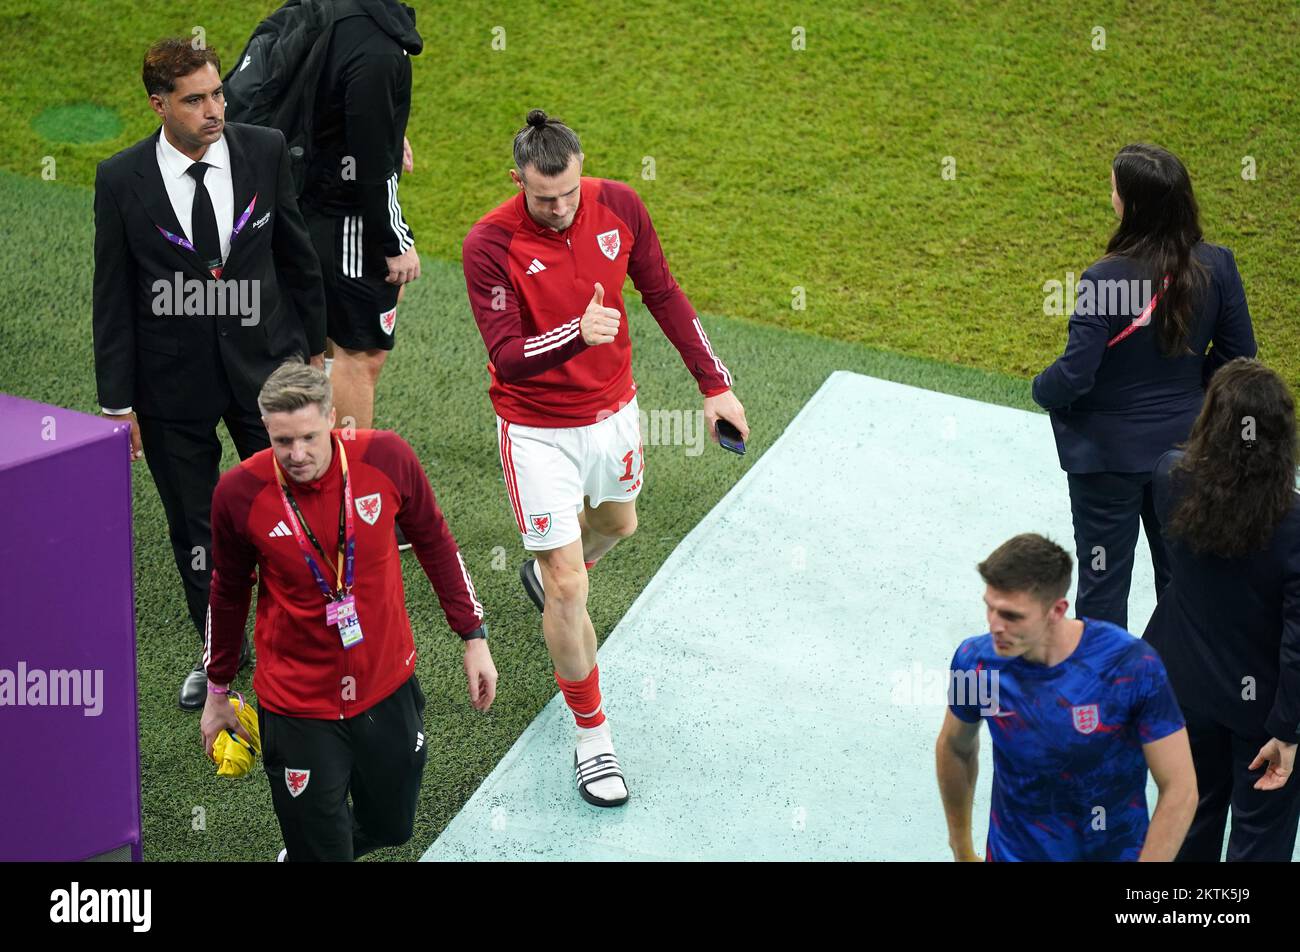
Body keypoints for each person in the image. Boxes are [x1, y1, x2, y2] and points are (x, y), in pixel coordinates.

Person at [461, 110, 750, 807]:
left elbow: (663, 293)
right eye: (543, 197)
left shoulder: (621, 205)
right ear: (518, 181)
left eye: (568, 193)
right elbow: (506, 356)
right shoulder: (489, 242)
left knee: (620, 525)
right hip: (535, 431)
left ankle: (563, 570)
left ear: (582, 169)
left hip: (613, 412)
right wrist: (574, 333)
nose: (558, 209)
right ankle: (593, 737)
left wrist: (716, 387)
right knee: (566, 587)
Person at [92, 38, 326, 710]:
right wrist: (117, 404)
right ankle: (219, 651)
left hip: (270, 373)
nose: (214, 109)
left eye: (217, 93)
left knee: (295, 504)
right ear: (158, 103)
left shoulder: (265, 149)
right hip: (171, 389)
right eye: (195, 99)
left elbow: (297, 257)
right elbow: (113, 294)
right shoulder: (120, 178)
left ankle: (308, 636)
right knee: (196, 526)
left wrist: (316, 358)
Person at [200, 360, 496, 861]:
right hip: (297, 703)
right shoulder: (239, 493)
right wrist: (217, 690)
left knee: (393, 826)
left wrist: (474, 636)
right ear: (266, 431)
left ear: (334, 419)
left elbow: (436, 543)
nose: (297, 455)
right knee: (322, 851)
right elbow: (227, 593)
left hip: (386, 683)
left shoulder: (386, 457)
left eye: (310, 438)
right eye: (282, 442)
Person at [1032, 143, 1256, 629]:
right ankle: (1173, 689)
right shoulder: (1219, 265)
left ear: (1132, 204)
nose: (1110, 193)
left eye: (1115, 187)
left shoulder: (1104, 278)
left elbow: (1074, 374)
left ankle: (1107, 695)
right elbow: (1240, 356)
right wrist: (1194, 393)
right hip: (1183, 452)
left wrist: (1040, 389)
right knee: (1181, 581)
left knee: (1104, 582)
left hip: (1105, 461)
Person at [936, 533, 1197, 861]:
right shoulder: (976, 661)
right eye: (990, 609)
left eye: (1012, 616)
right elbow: (955, 747)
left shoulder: (1131, 666)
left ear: (1057, 610)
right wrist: (961, 848)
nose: (995, 626)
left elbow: (1180, 787)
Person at [1144, 358, 1300, 861]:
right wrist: (1288, 730)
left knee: (1191, 818)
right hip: (1263, 709)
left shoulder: (1170, 478)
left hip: (1184, 689)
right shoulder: (1294, 525)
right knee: (1260, 841)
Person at [300, 0, 421, 438]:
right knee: (360, 354)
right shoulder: (379, 50)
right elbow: (370, 167)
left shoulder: (330, 12)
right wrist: (394, 241)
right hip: (344, 218)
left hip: (306, 197)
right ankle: (344, 477)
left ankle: (314, 451)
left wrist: (382, 126)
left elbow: (322, 89)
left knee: (330, 345)